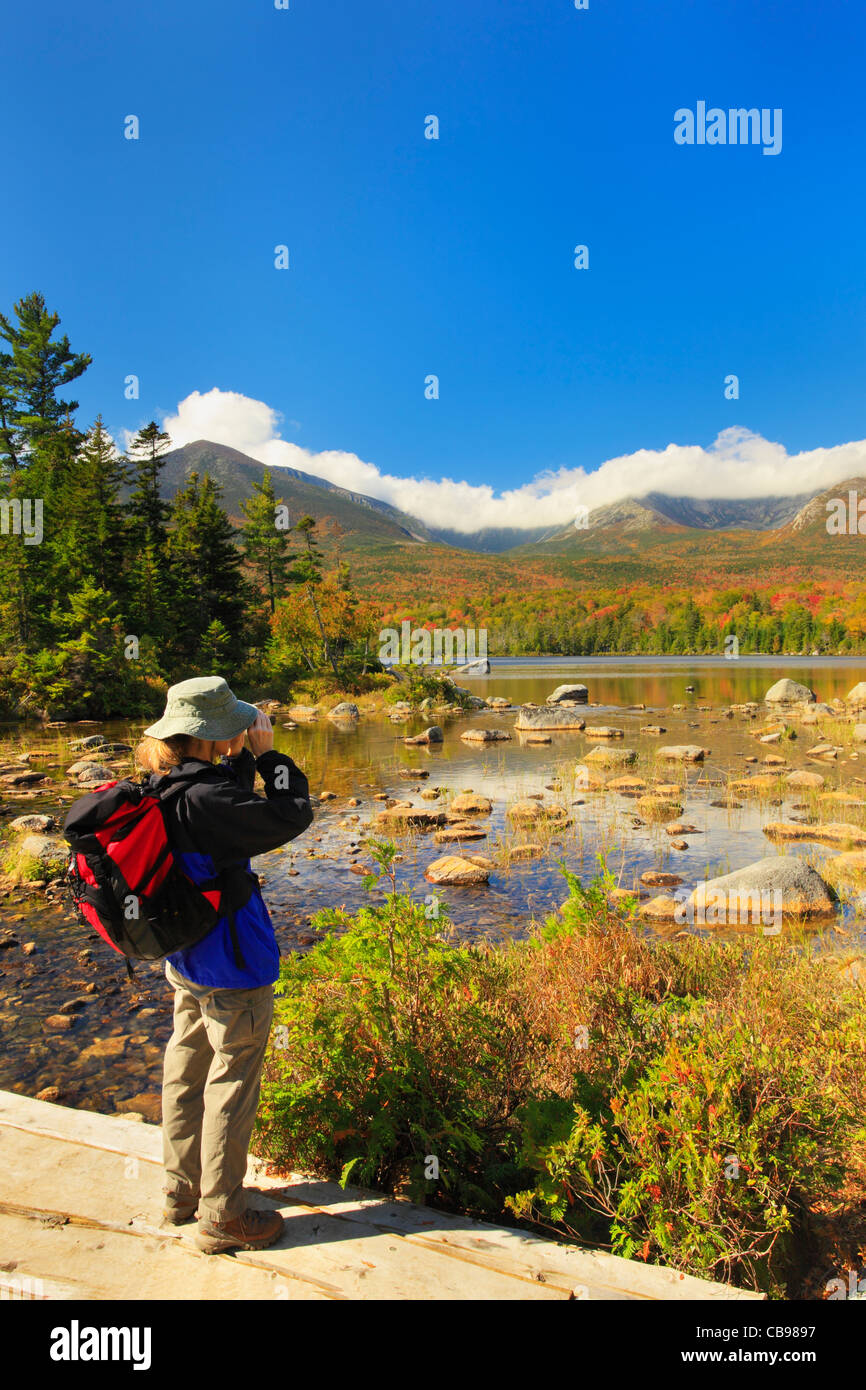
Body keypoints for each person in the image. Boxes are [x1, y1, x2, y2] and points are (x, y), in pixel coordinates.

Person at [135, 675, 314, 1254]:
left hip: (185, 955)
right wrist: (270, 757)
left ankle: (180, 1192)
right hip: (232, 961)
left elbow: (219, 813)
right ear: (213, 734)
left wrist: (233, 758)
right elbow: (291, 815)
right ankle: (222, 1215)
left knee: (185, 1068)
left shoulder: (164, 780)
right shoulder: (211, 797)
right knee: (232, 1083)